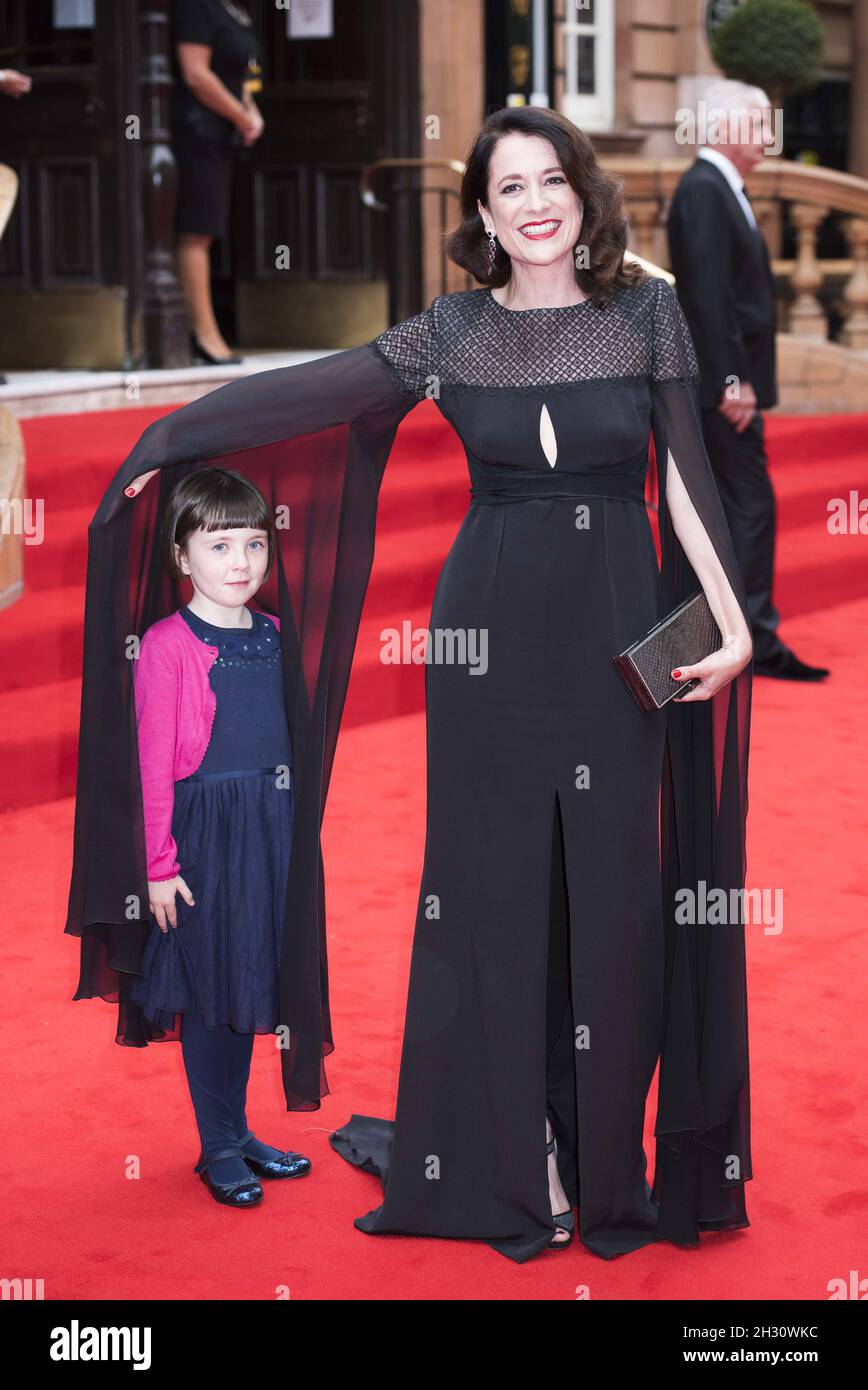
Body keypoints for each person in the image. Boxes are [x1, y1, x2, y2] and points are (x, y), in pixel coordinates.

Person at [66, 104, 753, 1262]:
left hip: (613, 639)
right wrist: (168, 438)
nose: (535, 204)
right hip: (483, 643)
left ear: (581, 196)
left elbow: (684, 477)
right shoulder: (453, 332)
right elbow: (319, 393)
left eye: (550, 181)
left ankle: (603, 1160)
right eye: (508, 190)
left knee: (617, 908)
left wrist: (731, 623)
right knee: (486, 901)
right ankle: (509, 1153)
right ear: (481, 216)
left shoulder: (646, 309)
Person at [126, 467, 311, 1205]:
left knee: (250, 981)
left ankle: (238, 1131)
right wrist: (158, 864)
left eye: (255, 545)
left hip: (272, 829)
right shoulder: (167, 647)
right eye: (220, 545)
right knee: (210, 992)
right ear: (181, 557)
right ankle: (217, 1147)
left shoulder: (274, 634)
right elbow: (149, 766)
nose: (241, 564)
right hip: (204, 838)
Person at [667, 79, 828, 682]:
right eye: (760, 125)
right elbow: (708, 297)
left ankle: (742, 632)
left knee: (740, 508)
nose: (768, 138)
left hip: (725, 386)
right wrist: (732, 381)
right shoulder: (706, 189)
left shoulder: (716, 188)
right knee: (747, 507)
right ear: (725, 127)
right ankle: (752, 637)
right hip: (723, 390)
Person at [171, 0, 263, 365]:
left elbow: (244, 74)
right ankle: (204, 335)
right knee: (197, 231)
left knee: (209, 230)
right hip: (197, 131)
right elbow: (196, 74)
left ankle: (208, 332)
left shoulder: (236, 11)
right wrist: (241, 116)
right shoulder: (194, 6)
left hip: (224, 133)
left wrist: (251, 110)